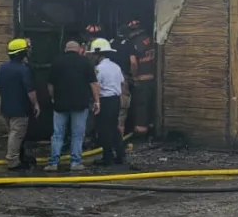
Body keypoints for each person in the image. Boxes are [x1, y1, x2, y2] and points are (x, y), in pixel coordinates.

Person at [45, 40, 100, 173]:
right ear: (79, 49)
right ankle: (75, 163)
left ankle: (53, 163)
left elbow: (50, 84)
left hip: (60, 104)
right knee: (77, 134)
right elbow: (93, 83)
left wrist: (53, 97)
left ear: (66, 49)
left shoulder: (57, 62)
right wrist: (97, 101)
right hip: (80, 104)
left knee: (58, 134)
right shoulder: (86, 62)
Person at [0, 38, 40, 170]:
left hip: (6, 108)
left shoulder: (2, 68)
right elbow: (30, 90)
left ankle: (20, 157)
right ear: (21, 53)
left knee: (14, 134)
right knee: (16, 135)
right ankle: (12, 161)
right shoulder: (24, 70)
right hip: (20, 109)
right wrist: (36, 104)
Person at [89, 38, 126, 166]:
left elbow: (95, 85)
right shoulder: (116, 67)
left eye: (93, 54)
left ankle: (107, 157)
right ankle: (120, 155)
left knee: (104, 129)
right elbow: (122, 82)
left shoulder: (98, 69)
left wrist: (95, 101)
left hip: (104, 101)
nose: (92, 56)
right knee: (114, 128)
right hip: (115, 100)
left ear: (99, 54)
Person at [123, 19, 157, 139]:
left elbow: (133, 63)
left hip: (141, 80)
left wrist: (133, 76)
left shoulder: (133, 42)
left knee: (140, 107)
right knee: (151, 105)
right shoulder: (150, 39)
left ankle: (140, 136)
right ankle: (152, 130)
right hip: (152, 79)